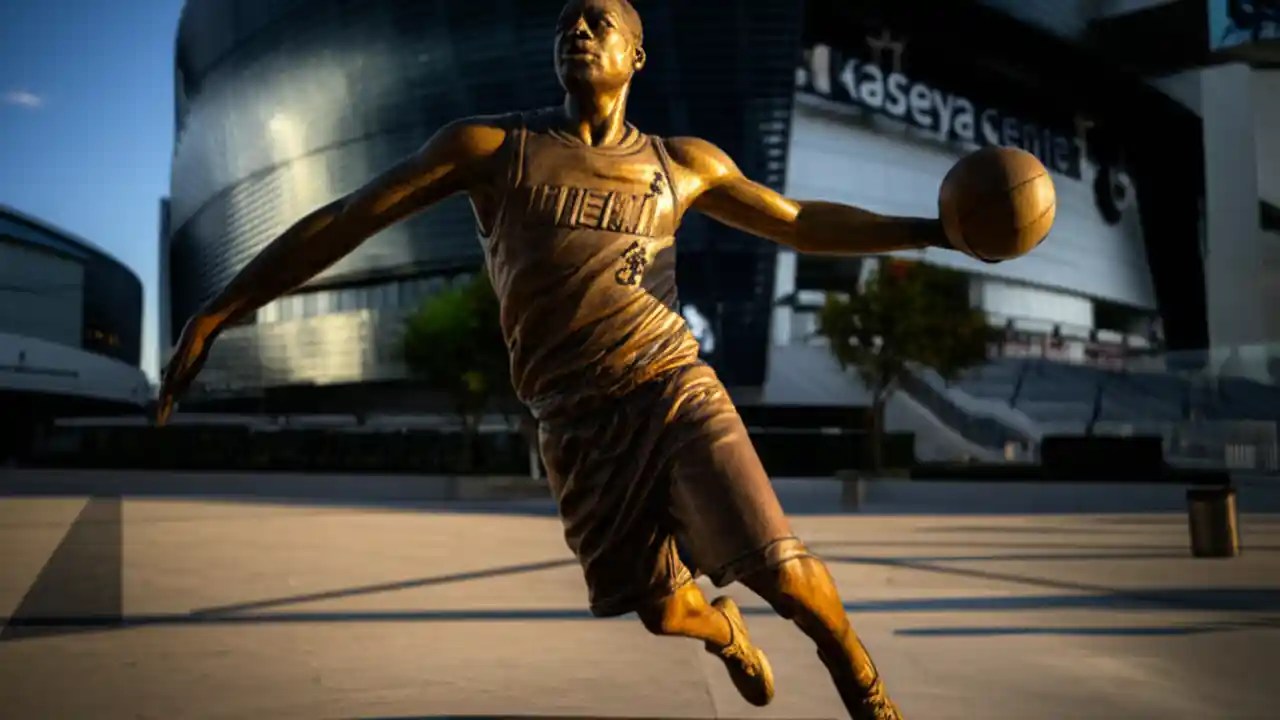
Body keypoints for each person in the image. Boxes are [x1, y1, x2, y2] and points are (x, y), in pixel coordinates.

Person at [158, 2, 978, 717]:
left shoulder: (681, 164)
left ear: (636, 55)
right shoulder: (492, 147)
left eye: (598, 22)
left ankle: (862, 683)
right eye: (566, 24)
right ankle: (725, 633)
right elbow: (348, 216)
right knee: (664, 611)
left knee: (783, 573)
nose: (578, 32)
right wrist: (219, 310)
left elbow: (797, 221)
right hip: (575, 424)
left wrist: (936, 231)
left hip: (673, 387)